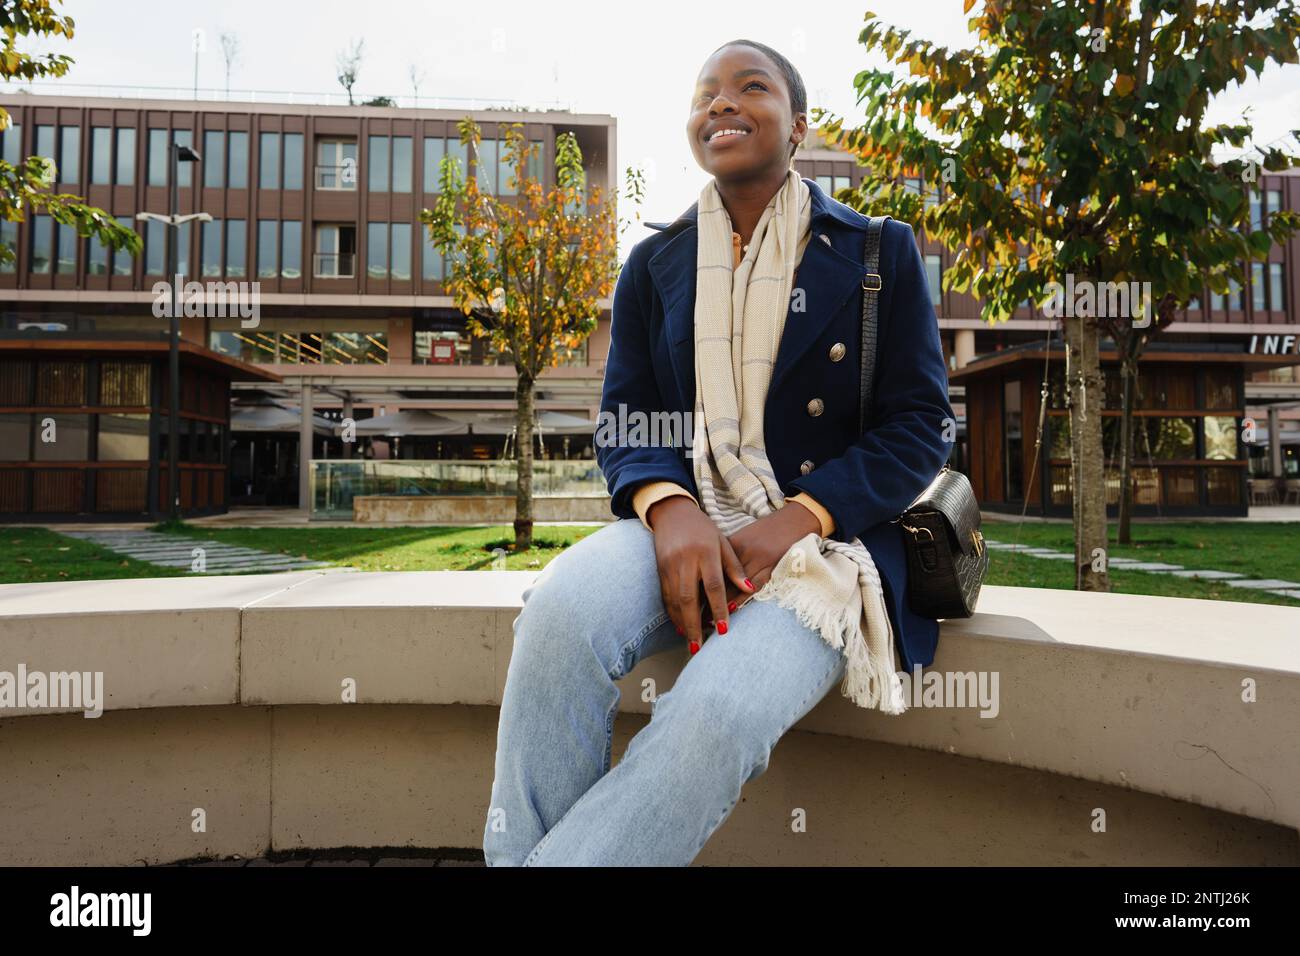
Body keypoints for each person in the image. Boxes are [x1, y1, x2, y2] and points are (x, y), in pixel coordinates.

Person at [483, 37, 954, 866]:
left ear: (799, 124)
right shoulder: (653, 264)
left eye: (750, 87)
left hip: (825, 553)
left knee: (716, 712)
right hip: (691, 515)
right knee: (556, 619)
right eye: (706, 93)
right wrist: (669, 508)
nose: (721, 104)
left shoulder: (879, 251)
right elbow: (627, 417)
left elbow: (920, 424)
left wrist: (799, 519)